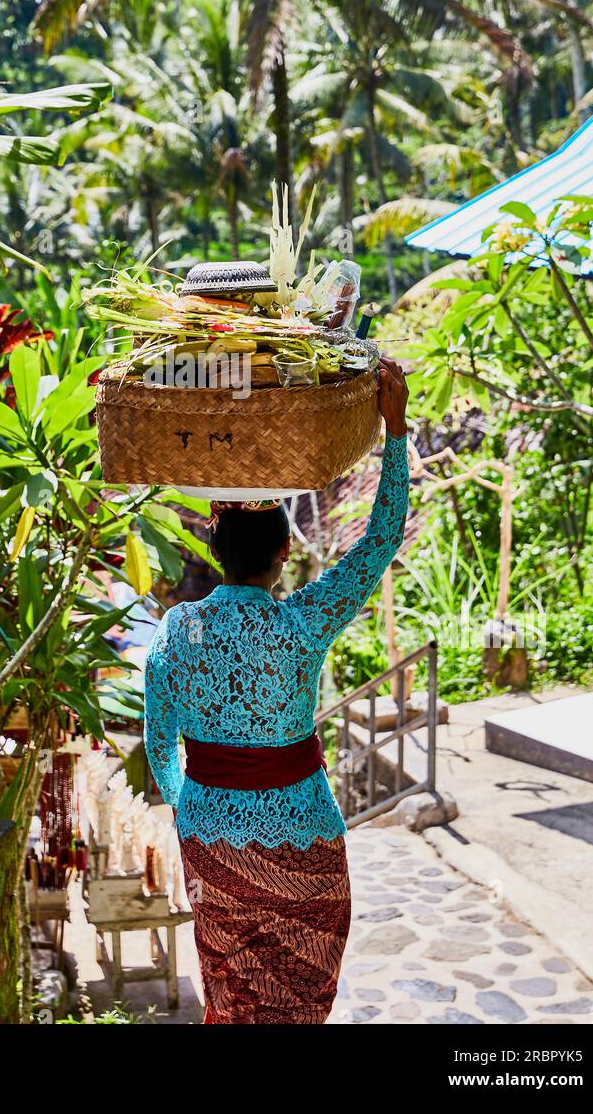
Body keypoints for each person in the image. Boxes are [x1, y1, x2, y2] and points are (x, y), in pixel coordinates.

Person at [143, 358, 410, 1024]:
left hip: (209, 837)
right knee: (299, 997)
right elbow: (379, 539)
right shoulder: (304, 619)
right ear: (283, 555)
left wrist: (192, 808)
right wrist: (395, 430)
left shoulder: (177, 630)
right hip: (303, 832)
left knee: (231, 997)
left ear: (214, 550)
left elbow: (157, 742)